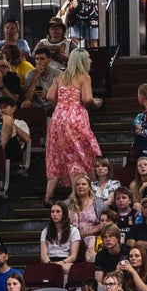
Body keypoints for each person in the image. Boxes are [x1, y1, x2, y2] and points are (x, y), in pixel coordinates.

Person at [44, 47, 102, 205]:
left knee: (56, 156)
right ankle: (74, 196)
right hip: (75, 118)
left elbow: (49, 96)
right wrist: (96, 103)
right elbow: (87, 99)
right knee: (78, 154)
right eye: (88, 58)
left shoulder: (61, 76)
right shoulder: (84, 77)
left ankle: (48, 196)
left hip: (58, 118)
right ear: (82, 61)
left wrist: (62, 105)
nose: (90, 60)